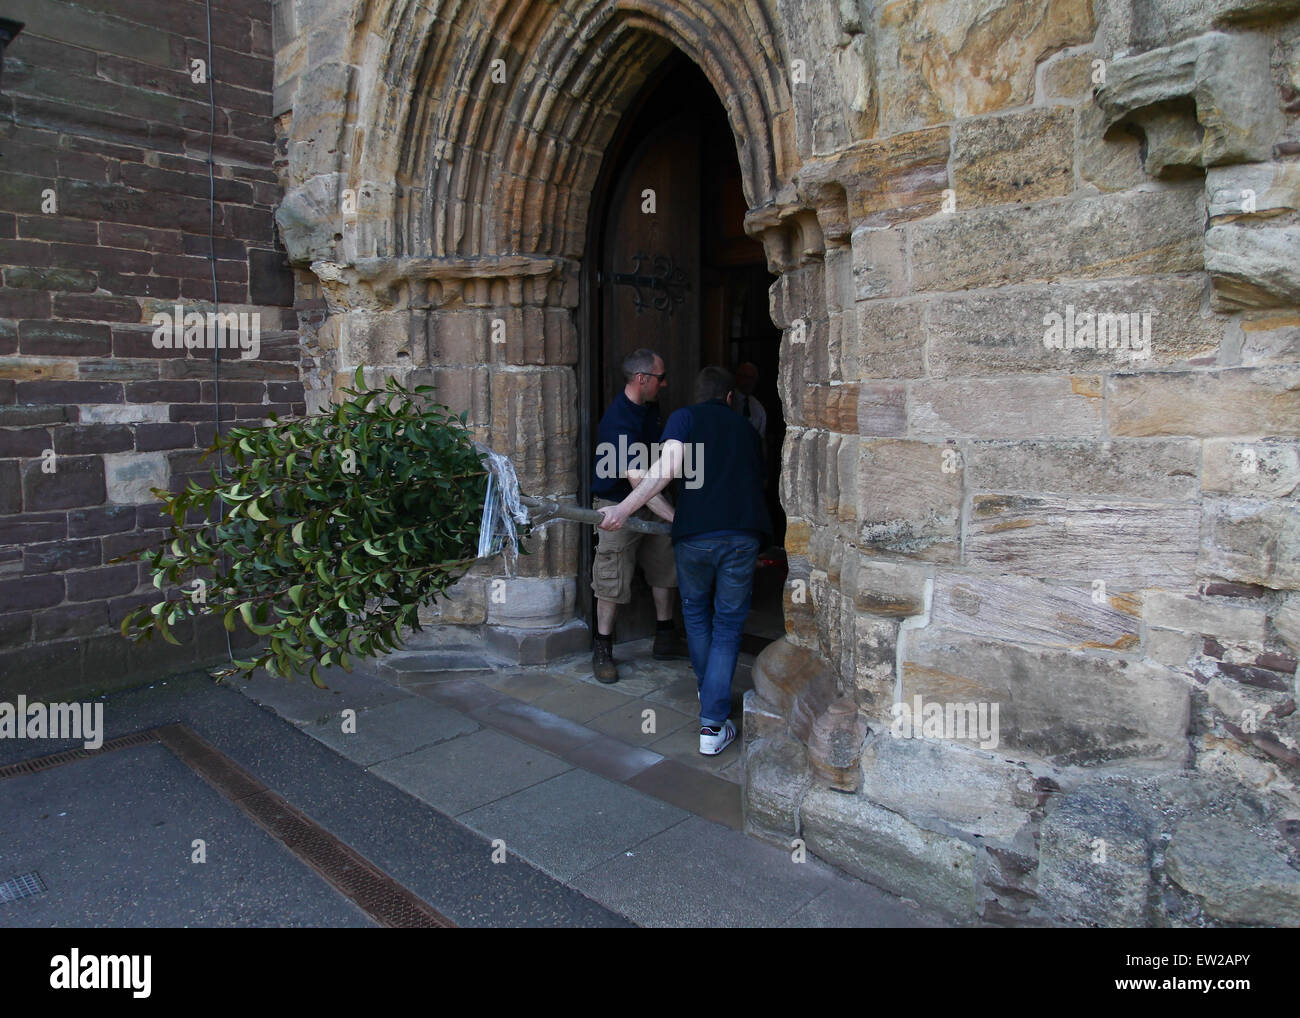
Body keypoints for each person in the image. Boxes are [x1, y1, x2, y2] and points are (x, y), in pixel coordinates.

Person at [597, 366, 772, 755]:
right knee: (727, 624)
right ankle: (712, 722)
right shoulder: (746, 428)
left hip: (695, 536)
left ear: (698, 394)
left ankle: (709, 700)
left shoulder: (685, 417)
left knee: (695, 614)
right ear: (730, 397)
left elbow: (667, 468)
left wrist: (624, 509)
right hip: (742, 535)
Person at [589, 348, 688, 684]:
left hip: (652, 499)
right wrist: (676, 519)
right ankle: (602, 647)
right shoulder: (619, 421)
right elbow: (638, 480)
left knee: (665, 568)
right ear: (643, 379)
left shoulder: (651, 410)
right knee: (611, 576)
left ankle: (664, 636)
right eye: (660, 378)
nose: (665, 384)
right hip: (618, 507)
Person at [733, 361, 767, 453]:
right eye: (744, 376)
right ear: (737, 377)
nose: (748, 382)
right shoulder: (729, 400)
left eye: (751, 378)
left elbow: (761, 439)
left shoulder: (758, 408)